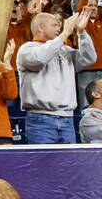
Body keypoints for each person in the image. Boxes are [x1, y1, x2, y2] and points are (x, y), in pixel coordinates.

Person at [16, 8, 96, 144]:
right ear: (41, 27)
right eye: (54, 25)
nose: (59, 27)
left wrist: (82, 32)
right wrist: (65, 34)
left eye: (59, 25)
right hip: (40, 120)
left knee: (68, 164)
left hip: (67, 119)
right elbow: (41, 58)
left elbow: (89, 58)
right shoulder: (26, 49)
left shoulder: (64, 50)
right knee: (43, 164)